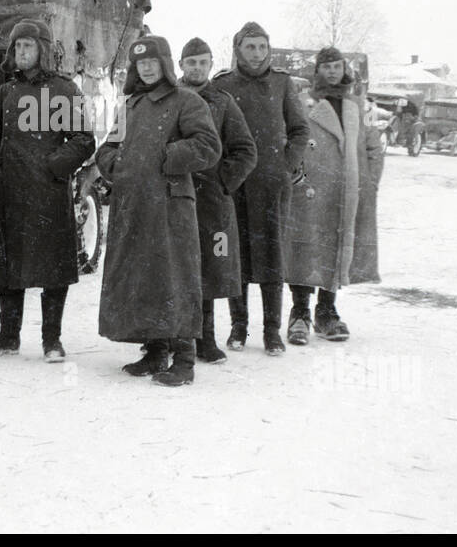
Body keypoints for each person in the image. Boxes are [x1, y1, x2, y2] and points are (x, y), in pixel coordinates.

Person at [97, 35, 220, 387]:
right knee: (143, 277)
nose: (146, 68)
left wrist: (163, 157)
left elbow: (208, 146)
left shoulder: (188, 101)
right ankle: (154, 351)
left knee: (175, 278)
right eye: (140, 63)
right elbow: (108, 147)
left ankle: (184, 359)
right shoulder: (130, 105)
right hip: (132, 207)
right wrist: (116, 164)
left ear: (165, 64)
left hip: (169, 206)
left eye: (152, 62)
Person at [0, 18, 96, 362]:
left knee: (53, 269)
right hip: (9, 194)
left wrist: (53, 166)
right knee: (9, 268)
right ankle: (8, 337)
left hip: (48, 193)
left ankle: (52, 340)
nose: (21, 52)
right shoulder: (7, 92)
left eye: (28, 45)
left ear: (42, 50)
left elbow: (83, 139)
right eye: (17, 46)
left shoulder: (63, 90)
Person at [212, 21, 310, 351]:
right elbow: (213, 131)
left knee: (272, 257)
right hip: (235, 185)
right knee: (234, 255)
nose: (257, 53)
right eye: (250, 46)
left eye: (262, 46)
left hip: (272, 185)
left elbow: (299, 130)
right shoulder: (223, 85)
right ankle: (238, 327)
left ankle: (271, 331)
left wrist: (286, 164)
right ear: (238, 48)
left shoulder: (282, 84)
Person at [287, 47, 383, 341]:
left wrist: (368, 183)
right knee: (304, 249)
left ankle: (327, 312)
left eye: (337, 66)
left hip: (345, 193)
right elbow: (290, 142)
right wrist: (297, 182)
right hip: (309, 192)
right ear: (317, 71)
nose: (332, 71)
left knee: (336, 247)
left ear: (345, 69)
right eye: (326, 66)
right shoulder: (303, 103)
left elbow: (373, 148)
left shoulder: (358, 106)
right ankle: (299, 314)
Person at [178, 37, 258, 364]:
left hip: (213, 205)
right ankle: (168, 337)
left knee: (212, 265)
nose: (197, 68)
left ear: (211, 65)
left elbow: (246, 150)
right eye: (191, 62)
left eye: (202, 62)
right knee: (174, 267)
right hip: (175, 199)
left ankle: (205, 339)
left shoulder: (223, 102)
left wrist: (223, 181)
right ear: (180, 66)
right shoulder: (170, 98)